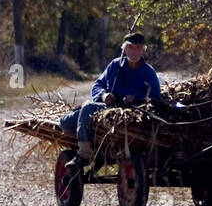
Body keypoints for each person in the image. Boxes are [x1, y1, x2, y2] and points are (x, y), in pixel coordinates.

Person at [60, 32, 162, 170]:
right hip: (107, 107)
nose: (134, 51)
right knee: (65, 122)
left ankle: (84, 154)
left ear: (143, 50)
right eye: (131, 47)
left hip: (130, 113)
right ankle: (93, 146)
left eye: (138, 48)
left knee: (88, 108)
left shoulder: (148, 72)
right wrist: (103, 95)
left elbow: (156, 96)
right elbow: (98, 85)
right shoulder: (115, 65)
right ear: (125, 49)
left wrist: (136, 98)